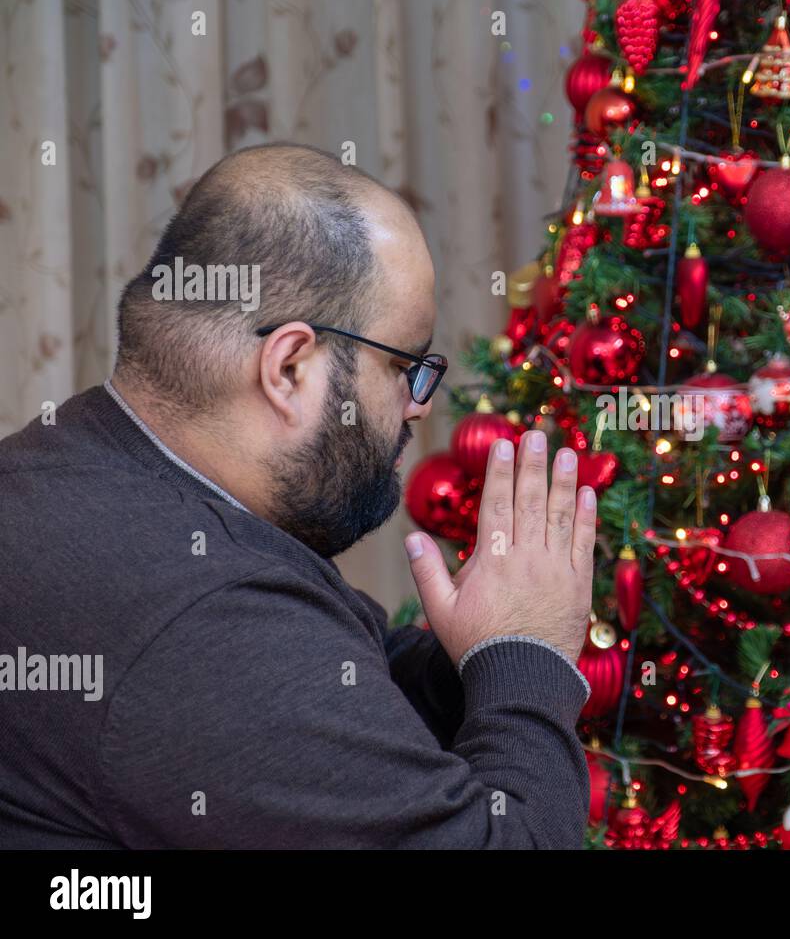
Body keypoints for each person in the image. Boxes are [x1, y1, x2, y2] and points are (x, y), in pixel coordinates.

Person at [0, 143, 596, 848]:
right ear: (287, 367)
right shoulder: (200, 617)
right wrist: (530, 654)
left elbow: (326, 693)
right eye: (405, 365)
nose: (417, 407)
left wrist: (469, 651)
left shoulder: (77, 460)